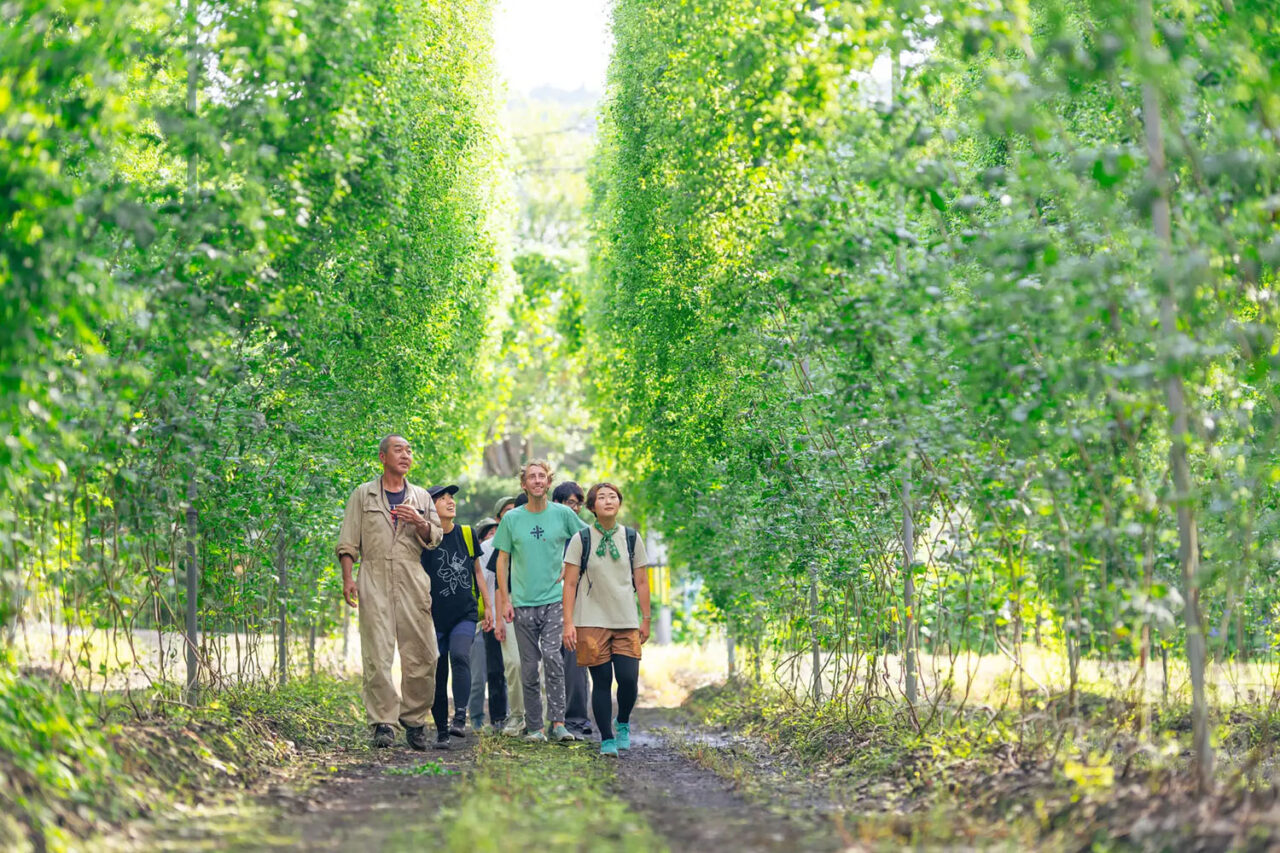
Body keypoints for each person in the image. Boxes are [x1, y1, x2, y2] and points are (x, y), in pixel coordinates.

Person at [336, 434, 442, 750]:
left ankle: (414, 721)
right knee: (377, 654)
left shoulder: (422, 497)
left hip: (412, 578)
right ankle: (383, 721)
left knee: (423, 654)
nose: (406, 455)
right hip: (373, 575)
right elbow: (348, 541)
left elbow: (435, 537)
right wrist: (348, 578)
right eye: (399, 450)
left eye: (409, 450)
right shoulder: (363, 495)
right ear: (383, 457)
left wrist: (419, 522)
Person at [494, 460, 586, 742]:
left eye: (541, 476)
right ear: (524, 484)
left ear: (548, 482)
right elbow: (502, 559)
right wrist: (505, 600)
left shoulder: (563, 514)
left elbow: (586, 540)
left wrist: (571, 565)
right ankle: (534, 728)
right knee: (529, 666)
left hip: (555, 600)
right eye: (531, 477)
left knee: (553, 658)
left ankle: (558, 723)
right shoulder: (512, 519)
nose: (536, 481)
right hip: (522, 602)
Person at [563, 482, 650, 757]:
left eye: (613, 496)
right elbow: (569, 584)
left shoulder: (632, 538)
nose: (608, 501)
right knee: (601, 682)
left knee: (628, 679)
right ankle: (607, 739)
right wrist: (568, 623)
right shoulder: (581, 539)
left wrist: (646, 618)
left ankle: (622, 720)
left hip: (625, 619)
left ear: (619, 503)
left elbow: (642, 581)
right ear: (592, 507)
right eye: (601, 497)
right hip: (590, 619)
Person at [422, 485, 495, 748]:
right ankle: (441, 731)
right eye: (442, 499)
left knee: (461, 655)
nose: (450, 502)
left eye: (451, 498)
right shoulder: (425, 539)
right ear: (431, 506)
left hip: (465, 613)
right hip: (434, 617)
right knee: (438, 672)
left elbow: (477, 572)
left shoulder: (466, 533)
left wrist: (488, 608)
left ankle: (460, 715)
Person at [552, 481, 593, 740]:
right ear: (557, 504)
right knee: (549, 663)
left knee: (576, 663)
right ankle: (552, 719)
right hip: (545, 603)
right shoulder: (549, 533)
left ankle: (577, 719)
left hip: (578, 607)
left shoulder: (585, 536)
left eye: (578, 503)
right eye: (570, 503)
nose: (575, 508)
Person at [466, 514, 508, 733]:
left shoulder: (505, 552)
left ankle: (503, 718)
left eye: (495, 532)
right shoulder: (480, 558)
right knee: (478, 676)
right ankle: (476, 718)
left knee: (501, 673)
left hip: (502, 619)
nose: (493, 536)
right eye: (489, 533)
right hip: (481, 622)